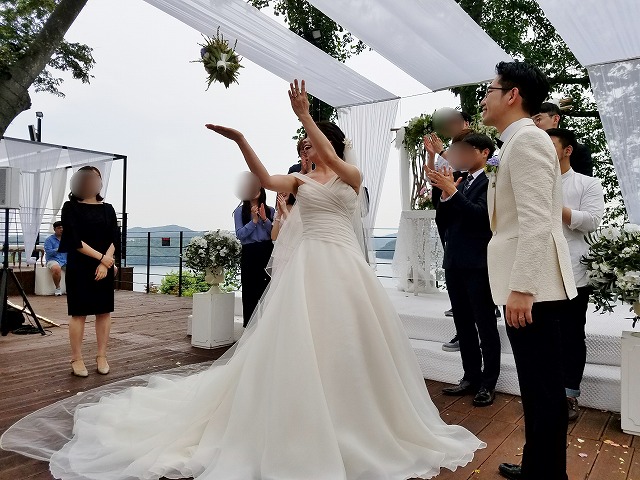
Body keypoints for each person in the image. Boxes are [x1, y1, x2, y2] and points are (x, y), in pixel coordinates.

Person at [2, 80, 485, 479]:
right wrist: (240, 140)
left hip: (344, 268)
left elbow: (331, 157)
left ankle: (356, 419)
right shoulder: (300, 182)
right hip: (307, 269)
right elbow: (265, 180)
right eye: (303, 144)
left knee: (348, 342)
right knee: (299, 343)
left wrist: (306, 117)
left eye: (312, 142)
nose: (306, 148)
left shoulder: (350, 175)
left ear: (330, 144)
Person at [481, 61, 577, 480]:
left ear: (512, 95)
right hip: (526, 288)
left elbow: (538, 221)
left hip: (534, 291)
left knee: (544, 391)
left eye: (489, 90)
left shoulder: (529, 141)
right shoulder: (512, 143)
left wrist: (522, 287)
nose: (483, 99)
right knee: (535, 390)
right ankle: (538, 466)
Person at [427, 130, 501, 407]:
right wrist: (446, 194)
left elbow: (480, 217)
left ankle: (488, 383)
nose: (458, 156)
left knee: (485, 324)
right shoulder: (460, 179)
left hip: (479, 263)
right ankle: (470, 376)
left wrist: (453, 191)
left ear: (484, 153)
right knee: (463, 323)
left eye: (464, 151)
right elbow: (443, 220)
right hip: (454, 260)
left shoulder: (492, 180)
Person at [547, 127, 604, 422]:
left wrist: (556, 208)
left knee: (571, 334)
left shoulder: (587, 183)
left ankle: (569, 393)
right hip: (538, 271)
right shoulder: (530, 182)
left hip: (573, 271)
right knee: (543, 335)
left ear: (567, 150)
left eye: (550, 144)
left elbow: (592, 222)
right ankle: (545, 392)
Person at [59, 166, 120, 378]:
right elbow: (74, 240)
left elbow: (115, 237)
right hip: (80, 265)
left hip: (104, 266)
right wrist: (102, 258)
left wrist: (105, 263)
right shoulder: (70, 207)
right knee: (79, 313)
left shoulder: (108, 209)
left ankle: (102, 356)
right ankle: (76, 358)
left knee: (104, 312)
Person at [233, 186, 274, 328]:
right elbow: (240, 235)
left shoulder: (270, 210)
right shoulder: (240, 212)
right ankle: (249, 327)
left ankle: (267, 326)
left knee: (267, 289)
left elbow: (274, 233)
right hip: (249, 252)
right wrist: (254, 221)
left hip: (267, 250)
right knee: (249, 290)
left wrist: (264, 219)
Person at [532, 102, 593, 176]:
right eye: (532, 121)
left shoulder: (578, 151)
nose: (534, 124)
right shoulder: (530, 150)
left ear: (555, 119)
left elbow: (584, 180)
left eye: (538, 119)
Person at [44, 221, 67, 296]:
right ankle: (58, 288)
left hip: (65, 260)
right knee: (56, 268)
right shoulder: (49, 240)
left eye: (62, 227)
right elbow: (49, 252)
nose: (61, 229)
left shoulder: (67, 239)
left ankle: (70, 288)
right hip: (53, 259)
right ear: (54, 229)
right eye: (59, 228)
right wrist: (58, 249)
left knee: (76, 268)